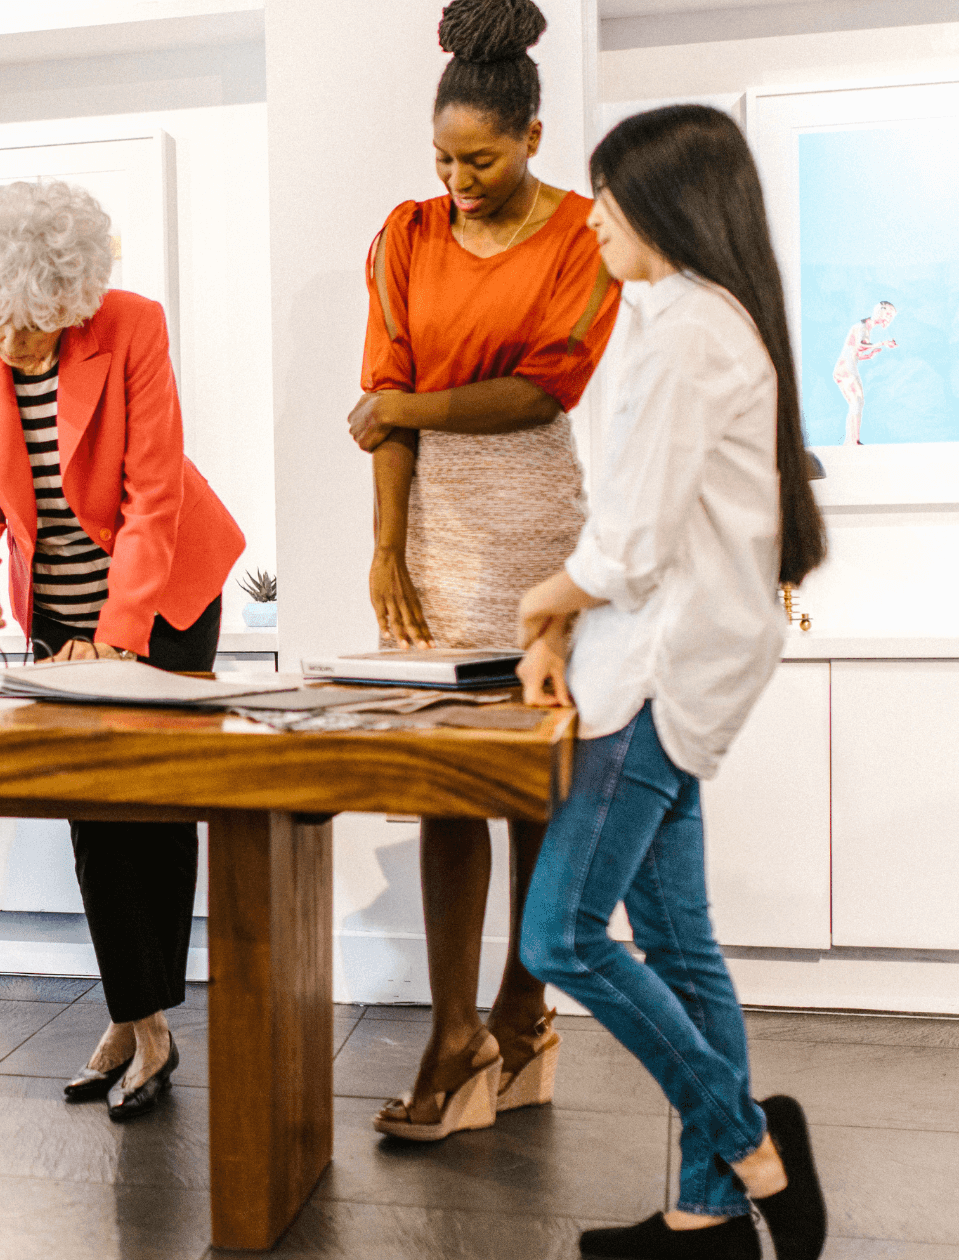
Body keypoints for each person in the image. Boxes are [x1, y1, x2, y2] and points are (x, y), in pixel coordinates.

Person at [516, 103, 830, 1260]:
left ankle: (749, 1144)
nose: (590, 215)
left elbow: (631, 538)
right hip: (653, 661)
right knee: (676, 939)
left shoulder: (695, 327)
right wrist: (563, 624)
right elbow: (632, 517)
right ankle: (704, 1216)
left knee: (557, 940)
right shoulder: (676, 320)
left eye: (607, 196)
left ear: (665, 205)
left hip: (654, 671)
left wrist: (544, 604)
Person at [349, 0, 621, 1141]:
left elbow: (542, 390)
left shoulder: (578, 236)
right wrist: (382, 548)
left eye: (480, 158)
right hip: (436, 533)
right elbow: (382, 417)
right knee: (437, 781)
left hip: (535, 519)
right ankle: (452, 1030)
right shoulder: (405, 235)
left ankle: (523, 1012)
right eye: (442, 159)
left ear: (532, 138)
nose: (457, 180)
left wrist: (402, 404)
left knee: (528, 783)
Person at [0, 180, 244, 1122]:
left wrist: (115, 646)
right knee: (87, 807)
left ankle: (143, 1025)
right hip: (53, 608)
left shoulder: (132, 328)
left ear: (72, 310)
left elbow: (154, 501)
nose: (7, 343)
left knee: (153, 802)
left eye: (30, 327)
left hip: (167, 597)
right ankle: (136, 1019)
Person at [833, 300, 897, 445]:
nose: (889, 319)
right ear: (880, 310)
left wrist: (871, 354)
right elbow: (860, 346)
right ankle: (852, 441)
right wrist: (883, 343)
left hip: (847, 367)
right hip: (846, 368)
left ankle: (852, 440)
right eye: (888, 314)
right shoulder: (861, 327)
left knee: (857, 402)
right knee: (857, 402)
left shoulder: (865, 329)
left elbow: (858, 353)